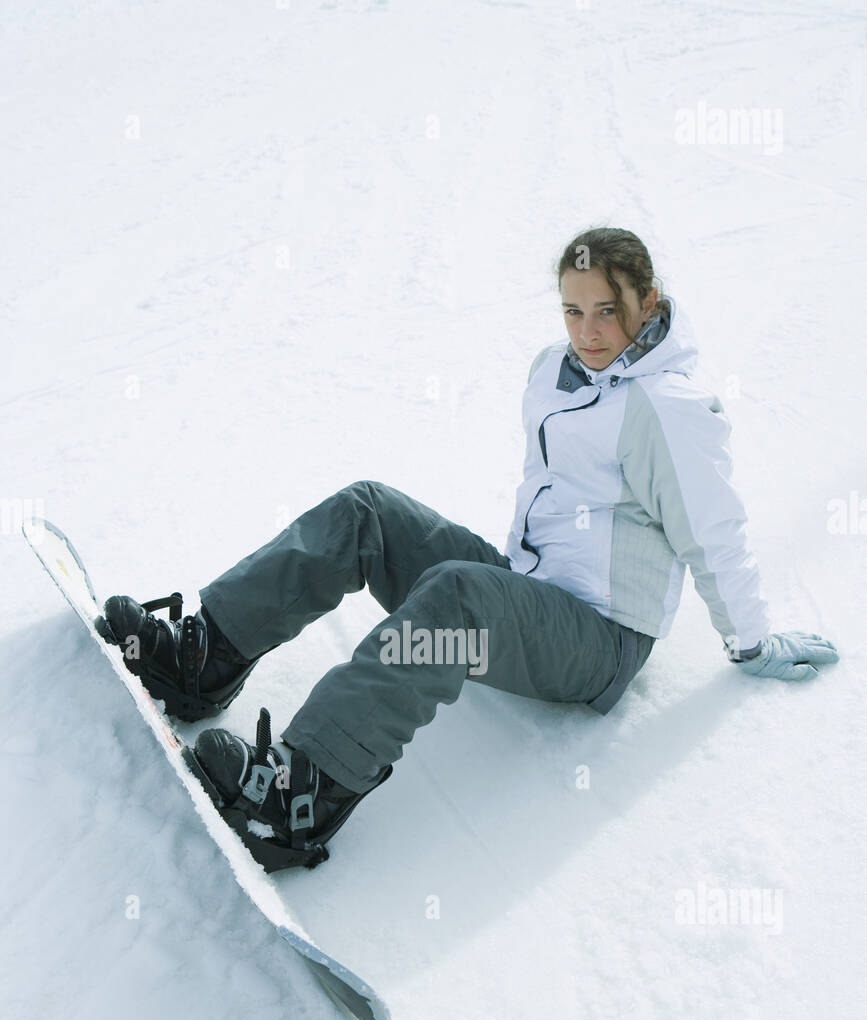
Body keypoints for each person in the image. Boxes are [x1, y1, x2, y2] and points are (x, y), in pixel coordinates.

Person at [97, 227, 839, 870]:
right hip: (527, 593)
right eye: (573, 309)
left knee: (458, 592)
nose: (587, 331)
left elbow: (714, 534)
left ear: (648, 302)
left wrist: (752, 641)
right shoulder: (557, 370)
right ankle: (205, 656)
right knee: (368, 511)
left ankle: (305, 791)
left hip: (600, 639)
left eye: (607, 310)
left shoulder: (668, 411)